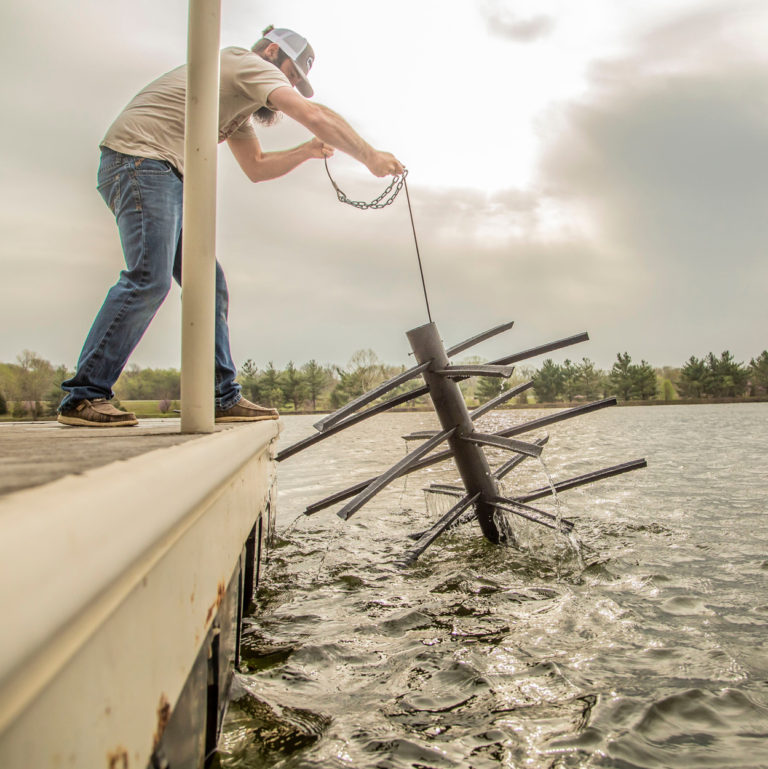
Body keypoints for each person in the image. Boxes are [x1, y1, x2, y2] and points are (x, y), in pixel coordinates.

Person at [58, 26, 404, 427]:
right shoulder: (245, 63)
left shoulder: (233, 101)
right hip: (141, 160)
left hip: (155, 170)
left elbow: (256, 167)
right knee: (149, 277)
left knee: (210, 284)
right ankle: (83, 396)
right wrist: (370, 156)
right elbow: (314, 114)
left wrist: (307, 151)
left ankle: (222, 397)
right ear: (272, 52)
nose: (289, 84)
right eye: (291, 75)